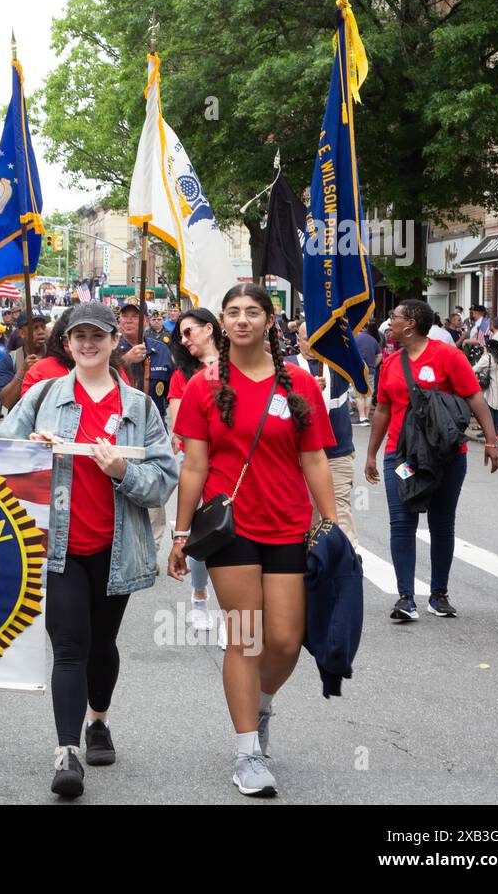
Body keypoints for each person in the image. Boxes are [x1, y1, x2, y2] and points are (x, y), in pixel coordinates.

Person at [0, 302, 178, 798]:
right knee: (70, 646)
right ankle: (66, 751)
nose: (87, 343)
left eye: (97, 335)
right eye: (78, 335)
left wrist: (121, 471)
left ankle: (99, 719)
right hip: (60, 549)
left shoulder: (138, 407)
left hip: (116, 549)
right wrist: (30, 449)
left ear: (113, 341)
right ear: (67, 341)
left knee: (102, 645)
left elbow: (163, 481)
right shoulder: (42, 395)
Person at [169, 283, 337, 798]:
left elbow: (314, 458)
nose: (242, 320)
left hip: (289, 525)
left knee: (286, 640)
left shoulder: (299, 386)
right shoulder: (204, 385)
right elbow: (195, 463)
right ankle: (246, 752)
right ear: (222, 322)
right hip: (231, 528)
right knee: (245, 636)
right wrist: (180, 531)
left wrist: (330, 524)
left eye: (252, 312)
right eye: (233, 313)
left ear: (270, 320)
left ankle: (260, 707)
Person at [363, 299, 498, 621]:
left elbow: (474, 397)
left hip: (445, 455)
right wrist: (372, 453)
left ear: (410, 324)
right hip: (401, 456)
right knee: (401, 523)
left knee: (442, 523)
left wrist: (492, 441)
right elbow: (382, 409)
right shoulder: (391, 362)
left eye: (394, 318)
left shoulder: (448, 356)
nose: (389, 323)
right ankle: (405, 598)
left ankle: (438, 594)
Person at [165, 308, 222, 631]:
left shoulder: (237, 367)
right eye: (180, 336)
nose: (184, 341)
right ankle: (199, 595)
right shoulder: (183, 376)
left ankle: (233, 610)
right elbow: (180, 424)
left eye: (188, 332)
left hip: (234, 464)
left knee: (235, 537)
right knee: (200, 535)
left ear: (209, 329)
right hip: (197, 462)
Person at [291, 322, 359, 545]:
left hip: (337, 453)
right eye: (306, 337)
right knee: (307, 515)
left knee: (339, 511)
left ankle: (346, 561)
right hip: (300, 456)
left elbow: (352, 351)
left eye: (317, 337)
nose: (311, 342)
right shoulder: (286, 366)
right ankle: (311, 566)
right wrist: (306, 387)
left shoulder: (337, 366)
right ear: (298, 341)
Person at [116, 302, 173, 420]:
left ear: (146, 321)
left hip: (155, 425)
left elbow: (173, 390)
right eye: (125, 316)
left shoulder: (161, 350)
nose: (128, 321)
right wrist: (126, 360)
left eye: (135, 316)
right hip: (121, 424)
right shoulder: (111, 349)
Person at [0, 310, 49, 410]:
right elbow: (7, 402)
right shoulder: (10, 360)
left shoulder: (56, 356)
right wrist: (23, 371)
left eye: (43, 326)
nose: (41, 331)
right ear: (22, 333)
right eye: (35, 328)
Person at [473, 336, 498, 432]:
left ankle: (489, 431)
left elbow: (474, 370)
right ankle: (496, 430)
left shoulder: (487, 358)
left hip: (489, 388)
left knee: (488, 410)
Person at [354, 323, 382, 424]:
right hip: (371, 370)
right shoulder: (373, 340)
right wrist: (374, 364)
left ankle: (362, 417)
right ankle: (366, 416)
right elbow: (379, 355)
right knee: (369, 394)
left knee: (360, 393)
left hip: (358, 369)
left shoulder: (355, 339)